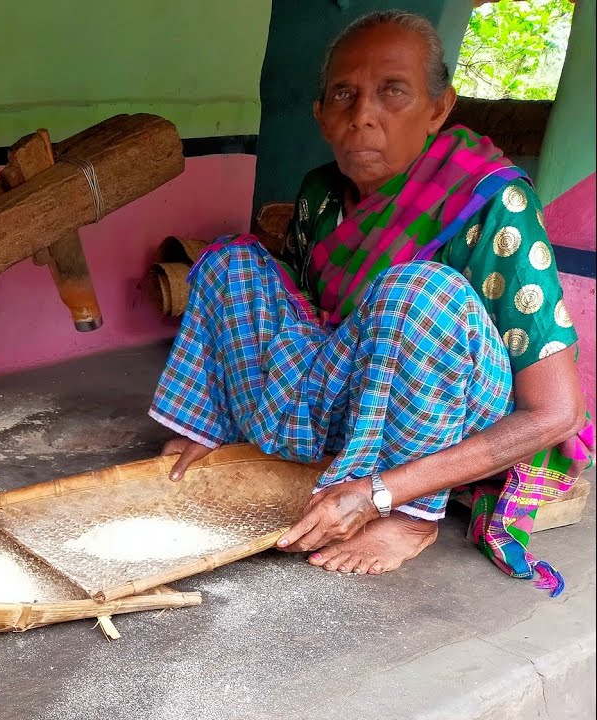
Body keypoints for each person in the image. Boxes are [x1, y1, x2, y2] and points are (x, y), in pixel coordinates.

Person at [150, 10, 592, 594]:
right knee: (232, 264)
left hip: (457, 419)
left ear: (438, 108)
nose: (363, 115)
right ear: (321, 115)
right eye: (344, 94)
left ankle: (412, 514)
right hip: (355, 394)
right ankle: (215, 432)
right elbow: (309, 326)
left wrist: (378, 491)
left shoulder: (490, 202)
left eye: (393, 92)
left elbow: (558, 412)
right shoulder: (320, 195)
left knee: (417, 292)